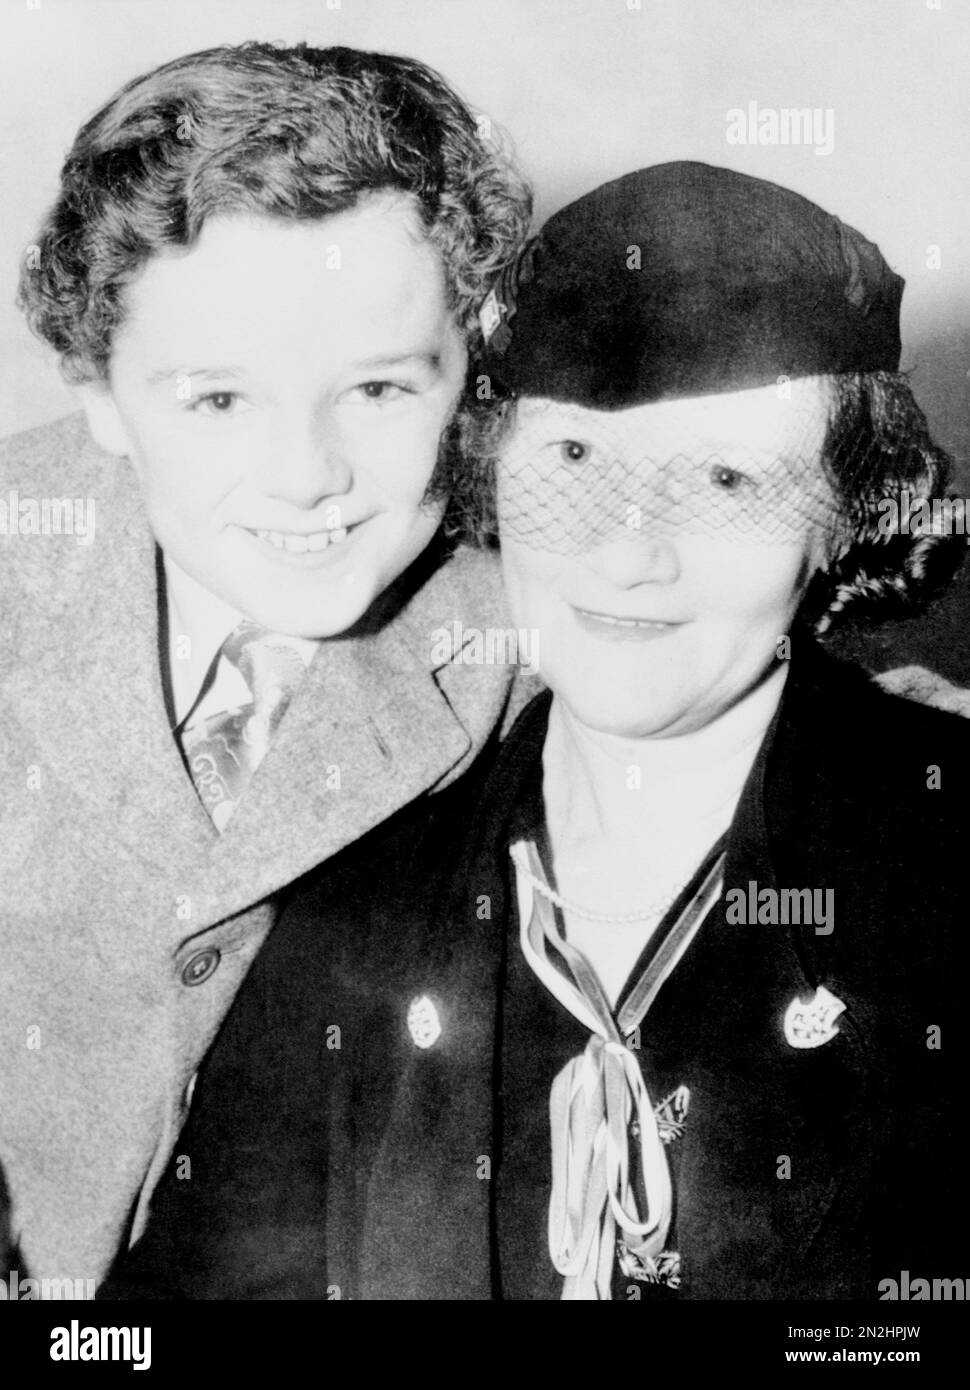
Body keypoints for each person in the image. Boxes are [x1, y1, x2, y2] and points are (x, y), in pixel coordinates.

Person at [99, 162, 970, 1301]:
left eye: (723, 476)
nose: (624, 550)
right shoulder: (358, 899)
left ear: (842, 517)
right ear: (488, 470)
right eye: (571, 458)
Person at [0, 39, 532, 1290]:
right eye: (219, 401)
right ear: (100, 395)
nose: (308, 476)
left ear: (471, 367)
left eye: (379, 391)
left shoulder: (537, 623)